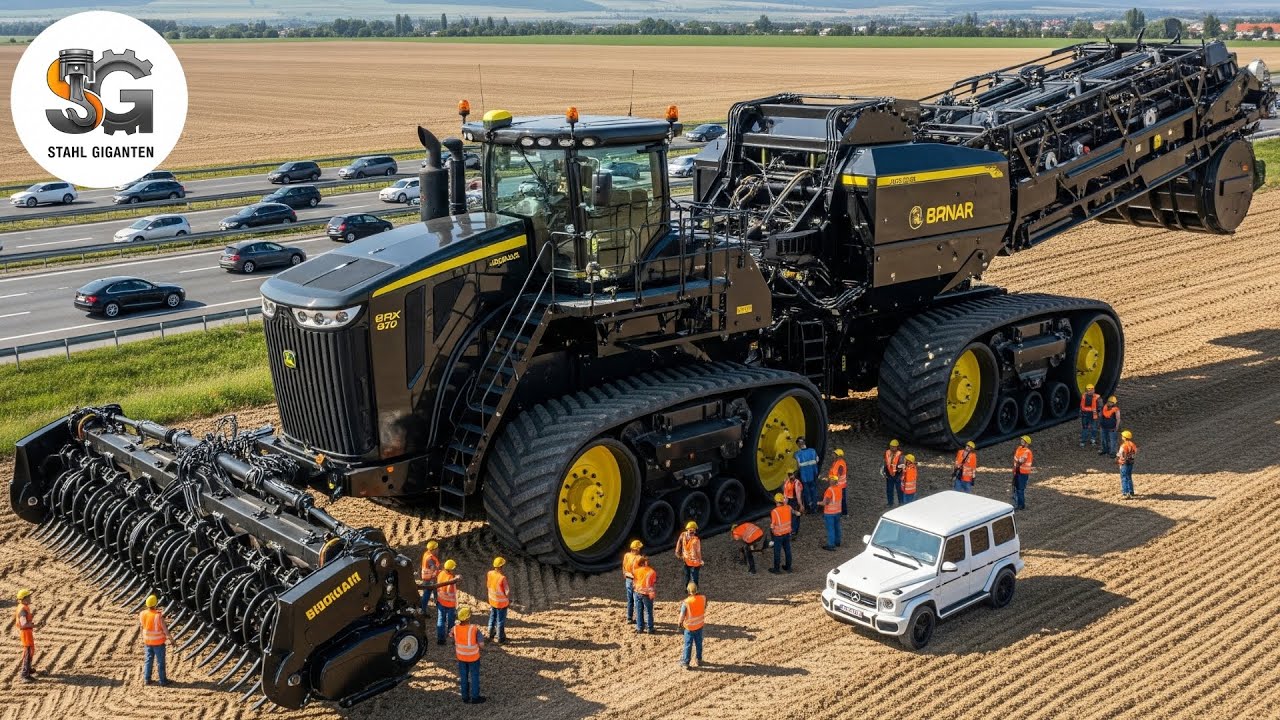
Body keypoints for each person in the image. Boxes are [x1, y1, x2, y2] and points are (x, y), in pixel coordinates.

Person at [453, 606, 486, 704]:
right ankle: (475, 698)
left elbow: (451, 634)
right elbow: (481, 645)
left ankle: (465, 697)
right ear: (468, 618)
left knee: (463, 677)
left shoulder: (455, 628)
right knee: (474, 677)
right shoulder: (474, 629)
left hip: (461, 657)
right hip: (473, 658)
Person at [139, 594, 170, 686]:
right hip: (158, 643)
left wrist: (143, 638)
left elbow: (141, 626)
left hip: (147, 642)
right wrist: (171, 640)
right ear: (156, 604)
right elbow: (165, 630)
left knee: (148, 660)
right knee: (160, 662)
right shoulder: (158, 616)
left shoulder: (142, 613)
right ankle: (163, 681)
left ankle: (147, 679)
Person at [677, 582, 706, 670]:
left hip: (689, 627)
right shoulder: (703, 598)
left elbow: (682, 615)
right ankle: (699, 659)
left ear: (688, 591)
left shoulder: (686, 602)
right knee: (699, 643)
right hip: (699, 625)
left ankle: (686, 662)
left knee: (688, 644)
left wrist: (679, 623)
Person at [435, 559, 460, 644]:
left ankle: (441, 639)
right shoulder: (450, 577)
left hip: (440, 601)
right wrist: (455, 579)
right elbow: (449, 591)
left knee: (441, 620)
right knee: (451, 621)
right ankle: (451, 635)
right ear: (450, 569)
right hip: (449, 604)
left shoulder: (441, 573)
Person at [486, 557, 510, 643]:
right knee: (500, 620)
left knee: (492, 617)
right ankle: (500, 638)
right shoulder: (502, 578)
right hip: (501, 604)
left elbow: (488, 585)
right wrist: (508, 599)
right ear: (501, 566)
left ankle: (490, 633)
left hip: (492, 601)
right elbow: (507, 591)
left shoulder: (489, 573)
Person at [768, 493, 793, 574]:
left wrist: (772, 534)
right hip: (787, 533)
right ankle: (788, 567)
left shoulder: (774, 511)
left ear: (776, 501)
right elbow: (793, 513)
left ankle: (776, 569)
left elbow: (772, 525)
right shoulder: (788, 507)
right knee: (788, 550)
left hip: (778, 535)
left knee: (777, 552)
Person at [794, 437, 821, 513]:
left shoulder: (797, 454)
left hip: (805, 476)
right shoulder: (813, 451)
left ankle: (809, 507)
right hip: (813, 474)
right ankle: (815, 508)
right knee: (814, 490)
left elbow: (798, 466)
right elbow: (817, 460)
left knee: (806, 492)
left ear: (798, 445)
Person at [14, 588, 35, 683]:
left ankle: (28, 669)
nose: (30, 598)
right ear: (24, 599)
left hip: (27, 633)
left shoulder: (23, 607)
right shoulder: (23, 610)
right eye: (29, 597)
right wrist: (34, 625)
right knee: (28, 652)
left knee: (30, 651)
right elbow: (23, 625)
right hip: (26, 633)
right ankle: (24, 674)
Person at [819, 474, 844, 550]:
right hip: (838, 511)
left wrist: (818, 503)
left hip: (829, 513)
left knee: (830, 529)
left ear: (831, 481)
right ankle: (837, 542)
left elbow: (825, 502)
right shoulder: (839, 488)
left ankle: (831, 544)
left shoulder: (829, 490)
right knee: (837, 527)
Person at [632, 556, 657, 633]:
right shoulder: (652, 572)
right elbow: (653, 582)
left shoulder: (636, 571)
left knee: (638, 610)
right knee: (648, 611)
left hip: (637, 591)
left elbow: (634, 580)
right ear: (645, 563)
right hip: (647, 593)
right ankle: (650, 628)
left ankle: (639, 628)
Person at [674, 521, 703, 586]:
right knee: (687, 576)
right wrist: (677, 551)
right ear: (687, 529)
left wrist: (700, 561)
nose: (693, 532)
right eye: (691, 530)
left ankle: (694, 590)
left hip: (694, 562)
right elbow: (679, 542)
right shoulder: (683, 535)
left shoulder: (696, 540)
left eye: (694, 531)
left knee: (694, 577)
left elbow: (698, 551)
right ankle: (688, 589)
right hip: (686, 560)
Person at [622, 540, 643, 623]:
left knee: (630, 600)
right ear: (636, 549)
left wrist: (625, 575)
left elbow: (623, 566)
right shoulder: (639, 558)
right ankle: (639, 620)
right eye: (639, 548)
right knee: (637, 600)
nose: (640, 549)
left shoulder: (626, 555)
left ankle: (629, 618)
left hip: (628, 579)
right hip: (636, 580)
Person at [1012, 436, 1034, 510]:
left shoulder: (1027, 451)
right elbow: (1017, 459)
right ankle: (1018, 504)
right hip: (1018, 471)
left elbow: (1020, 460)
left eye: (1023, 440)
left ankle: (1020, 505)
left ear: (1027, 443)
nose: (1021, 441)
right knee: (1017, 488)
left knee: (1020, 489)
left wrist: (1017, 461)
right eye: (1021, 440)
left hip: (1023, 473)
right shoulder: (1019, 448)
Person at [420, 539, 441, 616]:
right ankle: (423, 611)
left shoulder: (427, 554)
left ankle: (437, 605)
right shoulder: (430, 559)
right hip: (430, 579)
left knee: (435, 592)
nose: (438, 549)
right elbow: (433, 567)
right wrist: (438, 572)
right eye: (436, 548)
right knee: (427, 595)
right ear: (433, 550)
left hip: (429, 578)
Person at [1117, 429, 1139, 498]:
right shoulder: (1133, 445)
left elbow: (1120, 454)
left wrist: (1118, 458)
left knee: (1124, 478)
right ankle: (1131, 492)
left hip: (1124, 463)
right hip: (1131, 463)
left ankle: (1125, 493)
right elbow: (1135, 452)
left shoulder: (1123, 446)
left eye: (1122, 436)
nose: (1122, 437)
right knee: (1129, 477)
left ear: (1125, 437)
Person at [883, 439, 904, 507]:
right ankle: (890, 503)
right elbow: (886, 463)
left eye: (894, 446)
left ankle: (901, 503)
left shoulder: (900, 454)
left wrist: (899, 469)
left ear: (897, 447)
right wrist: (884, 471)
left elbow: (901, 465)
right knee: (889, 490)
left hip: (897, 475)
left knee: (899, 490)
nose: (892, 448)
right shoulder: (887, 452)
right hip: (889, 475)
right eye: (891, 446)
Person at [783, 471, 804, 537]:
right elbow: (798, 494)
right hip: (793, 501)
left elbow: (786, 495)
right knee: (795, 516)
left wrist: (785, 504)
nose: (791, 476)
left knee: (794, 516)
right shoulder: (795, 482)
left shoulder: (790, 483)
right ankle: (794, 531)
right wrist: (801, 505)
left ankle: (793, 531)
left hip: (793, 501)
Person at [829, 448, 849, 516]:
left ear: (839, 456)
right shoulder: (836, 462)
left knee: (841, 500)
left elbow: (838, 475)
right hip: (837, 484)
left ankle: (844, 513)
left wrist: (830, 479)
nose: (832, 455)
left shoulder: (840, 464)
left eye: (834, 454)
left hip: (840, 485)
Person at [1080, 383, 1100, 447]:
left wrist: (1100, 413)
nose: (1090, 391)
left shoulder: (1097, 397)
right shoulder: (1084, 396)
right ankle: (1083, 441)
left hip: (1093, 416)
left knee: (1094, 428)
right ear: (1086, 391)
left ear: (1094, 390)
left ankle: (1093, 439)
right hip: (1085, 415)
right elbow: (1081, 406)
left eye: (1092, 390)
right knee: (1085, 428)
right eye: (1089, 390)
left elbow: (1100, 406)